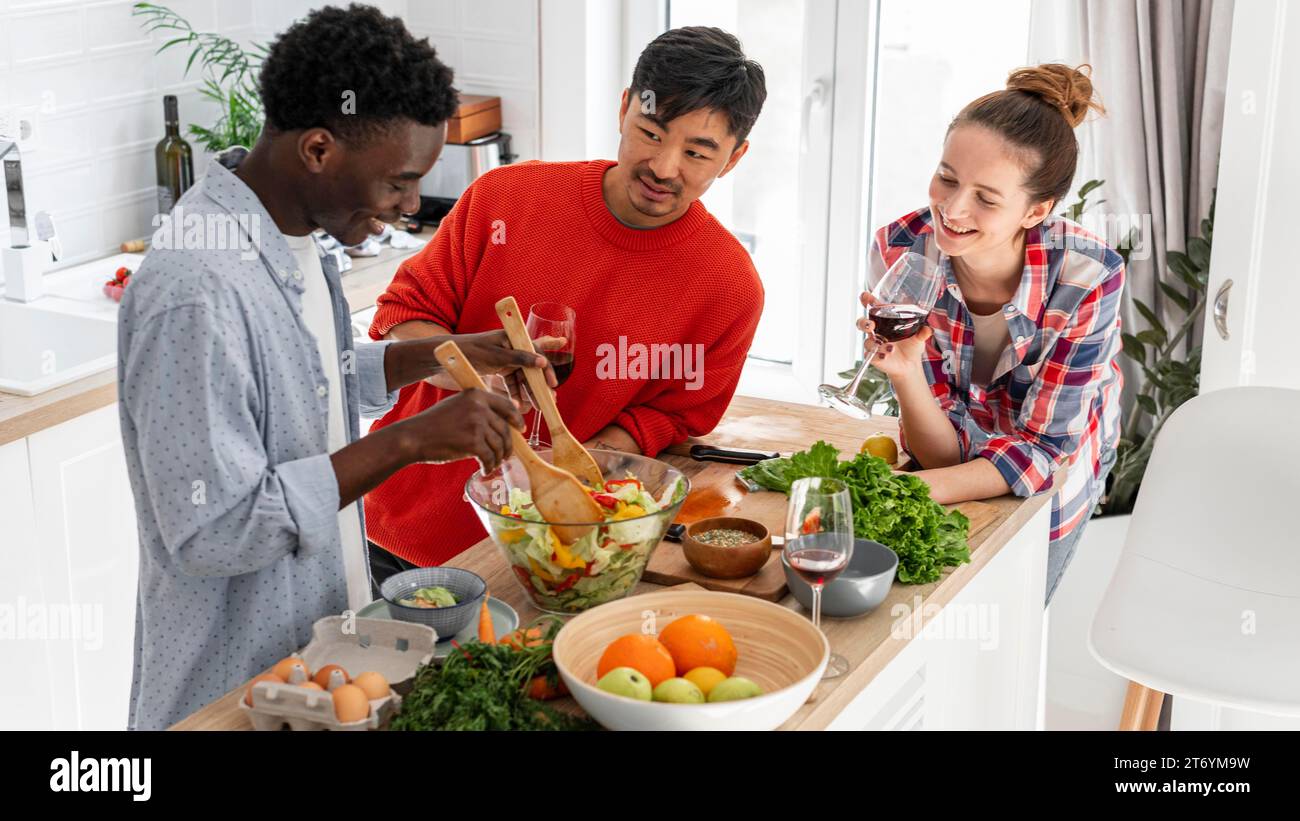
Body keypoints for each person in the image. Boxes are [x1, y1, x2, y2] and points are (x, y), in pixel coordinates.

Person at [117, 4, 554, 730]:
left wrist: (436, 357)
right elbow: (212, 529)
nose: (411, 205)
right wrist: (409, 441)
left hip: (318, 661)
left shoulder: (298, 237)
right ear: (318, 149)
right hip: (232, 687)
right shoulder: (195, 289)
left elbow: (303, 379)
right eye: (399, 183)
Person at [363, 26, 768, 573]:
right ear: (624, 108)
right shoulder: (503, 198)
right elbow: (402, 318)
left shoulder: (728, 285)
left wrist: (590, 459)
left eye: (697, 152)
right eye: (650, 133)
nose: (664, 167)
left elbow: (675, 413)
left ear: (735, 158)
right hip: (399, 535)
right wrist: (469, 377)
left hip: (556, 551)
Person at [860, 64, 1124, 606]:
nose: (952, 209)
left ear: (1037, 210)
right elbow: (938, 456)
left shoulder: (1088, 276)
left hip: (1053, 473)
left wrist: (906, 490)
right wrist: (906, 372)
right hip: (951, 461)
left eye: (986, 197)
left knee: (1007, 631)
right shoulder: (900, 250)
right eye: (948, 178)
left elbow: (1045, 449)